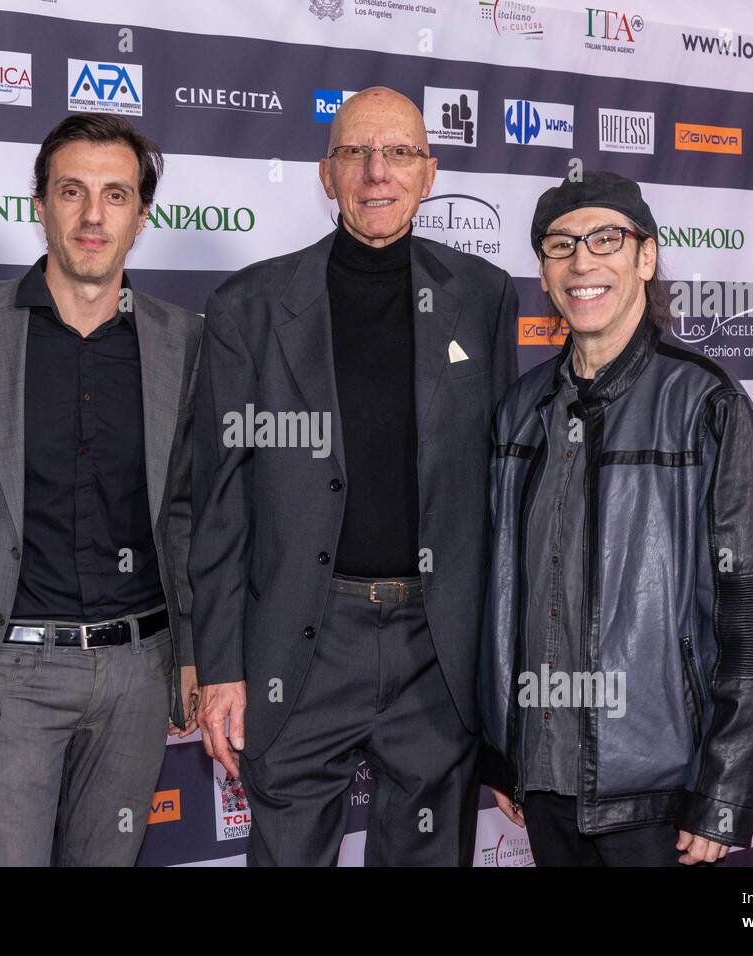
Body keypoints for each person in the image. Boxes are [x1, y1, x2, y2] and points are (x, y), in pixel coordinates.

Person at [190, 87, 520, 866]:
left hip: (437, 651)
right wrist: (222, 671)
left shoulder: (482, 298)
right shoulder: (250, 306)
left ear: (429, 174)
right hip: (302, 646)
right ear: (325, 173)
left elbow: (504, 496)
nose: (378, 172)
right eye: (356, 154)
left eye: (400, 153)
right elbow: (222, 502)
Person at [478, 170, 753, 866]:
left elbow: (752, 617)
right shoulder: (517, 409)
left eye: (606, 240)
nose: (583, 261)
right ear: (545, 272)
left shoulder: (707, 403)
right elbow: (503, 594)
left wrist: (724, 794)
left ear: (645, 259)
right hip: (543, 784)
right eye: (561, 246)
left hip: (660, 797)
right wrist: (505, 752)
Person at [0, 114, 201, 867]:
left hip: (140, 672)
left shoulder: (184, 341)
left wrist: (191, 654)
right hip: (10, 669)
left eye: (115, 195)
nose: (93, 216)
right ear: (39, 203)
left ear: (141, 216)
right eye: (72, 192)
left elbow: (185, 512)